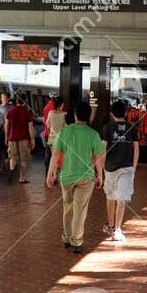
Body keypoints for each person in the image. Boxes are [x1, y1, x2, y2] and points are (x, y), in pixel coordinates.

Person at [48, 98, 105, 253]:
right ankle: (76, 241)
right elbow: (98, 158)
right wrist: (100, 176)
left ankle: (67, 238)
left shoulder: (64, 132)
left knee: (67, 207)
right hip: (86, 178)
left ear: (75, 114)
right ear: (89, 116)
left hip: (67, 176)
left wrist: (50, 174)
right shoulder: (93, 134)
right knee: (80, 209)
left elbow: (55, 154)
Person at [102, 97, 139, 243]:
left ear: (112, 113)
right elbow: (136, 150)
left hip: (110, 168)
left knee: (110, 197)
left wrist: (101, 169)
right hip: (126, 168)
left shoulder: (107, 128)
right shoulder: (132, 128)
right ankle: (117, 229)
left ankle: (112, 226)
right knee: (121, 198)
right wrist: (134, 168)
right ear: (126, 112)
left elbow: (103, 150)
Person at [4, 92, 36, 185]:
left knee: (13, 157)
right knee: (23, 159)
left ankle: (11, 169)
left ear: (16, 101)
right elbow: (30, 126)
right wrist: (32, 139)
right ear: (24, 101)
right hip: (24, 138)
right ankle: (22, 177)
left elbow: (6, 125)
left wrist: (6, 137)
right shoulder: (26, 111)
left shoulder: (10, 111)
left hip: (12, 138)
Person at [43, 96, 65, 181]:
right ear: (61, 105)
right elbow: (65, 127)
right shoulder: (64, 114)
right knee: (63, 158)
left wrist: (50, 135)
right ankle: (61, 175)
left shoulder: (50, 113)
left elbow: (47, 125)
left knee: (54, 157)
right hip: (61, 140)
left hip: (52, 139)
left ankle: (54, 176)